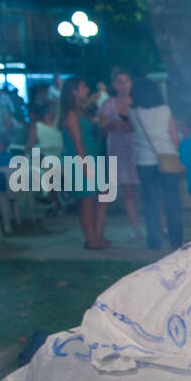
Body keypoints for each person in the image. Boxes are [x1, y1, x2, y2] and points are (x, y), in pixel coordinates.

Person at [130, 76, 183, 251]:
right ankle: (176, 240)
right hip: (167, 157)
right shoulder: (165, 110)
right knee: (171, 201)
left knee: (150, 201)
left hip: (144, 160)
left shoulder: (134, 112)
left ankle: (154, 241)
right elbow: (174, 137)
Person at [61, 76, 110, 250]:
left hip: (91, 156)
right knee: (87, 200)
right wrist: (84, 164)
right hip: (81, 159)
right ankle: (91, 239)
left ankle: (97, 235)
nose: (87, 90)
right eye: (83, 87)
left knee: (101, 196)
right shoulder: (71, 114)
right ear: (74, 91)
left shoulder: (79, 111)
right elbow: (77, 142)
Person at [98, 69, 146, 242]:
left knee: (147, 190)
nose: (123, 85)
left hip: (139, 151)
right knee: (128, 191)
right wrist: (111, 125)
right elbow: (101, 131)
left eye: (126, 81)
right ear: (114, 84)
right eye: (119, 81)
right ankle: (136, 228)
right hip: (118, 152)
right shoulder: (108, 105)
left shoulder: (140, 102)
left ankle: (159, 226)